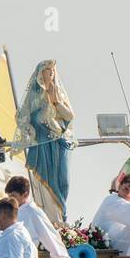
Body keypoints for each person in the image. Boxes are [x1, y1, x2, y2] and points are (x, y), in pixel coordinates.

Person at [17, 60, 75, 223]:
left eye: (52, 70)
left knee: (62, 180)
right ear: (40, 73)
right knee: (44, 181)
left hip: (59, 144)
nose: (51, 72)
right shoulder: (34, 96)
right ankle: (51, 220)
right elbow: (22, 117)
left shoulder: (59, 93)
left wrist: (56, 101)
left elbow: (69, 116)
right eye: (47, 69)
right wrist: (32, 128)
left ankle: (60, 216)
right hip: (42, 144)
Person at [3, 177, 69, 258]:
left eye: (13, 196)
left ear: (25, 195)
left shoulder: (33, 211)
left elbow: (49, 236)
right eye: (8, 196)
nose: (10, 200)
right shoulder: (11, 210)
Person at [92, 173, 130, 253]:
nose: (128, 194)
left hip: (116, 244)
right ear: (119, 186)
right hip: (104, 247)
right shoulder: (112, 200)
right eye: (126, 189)